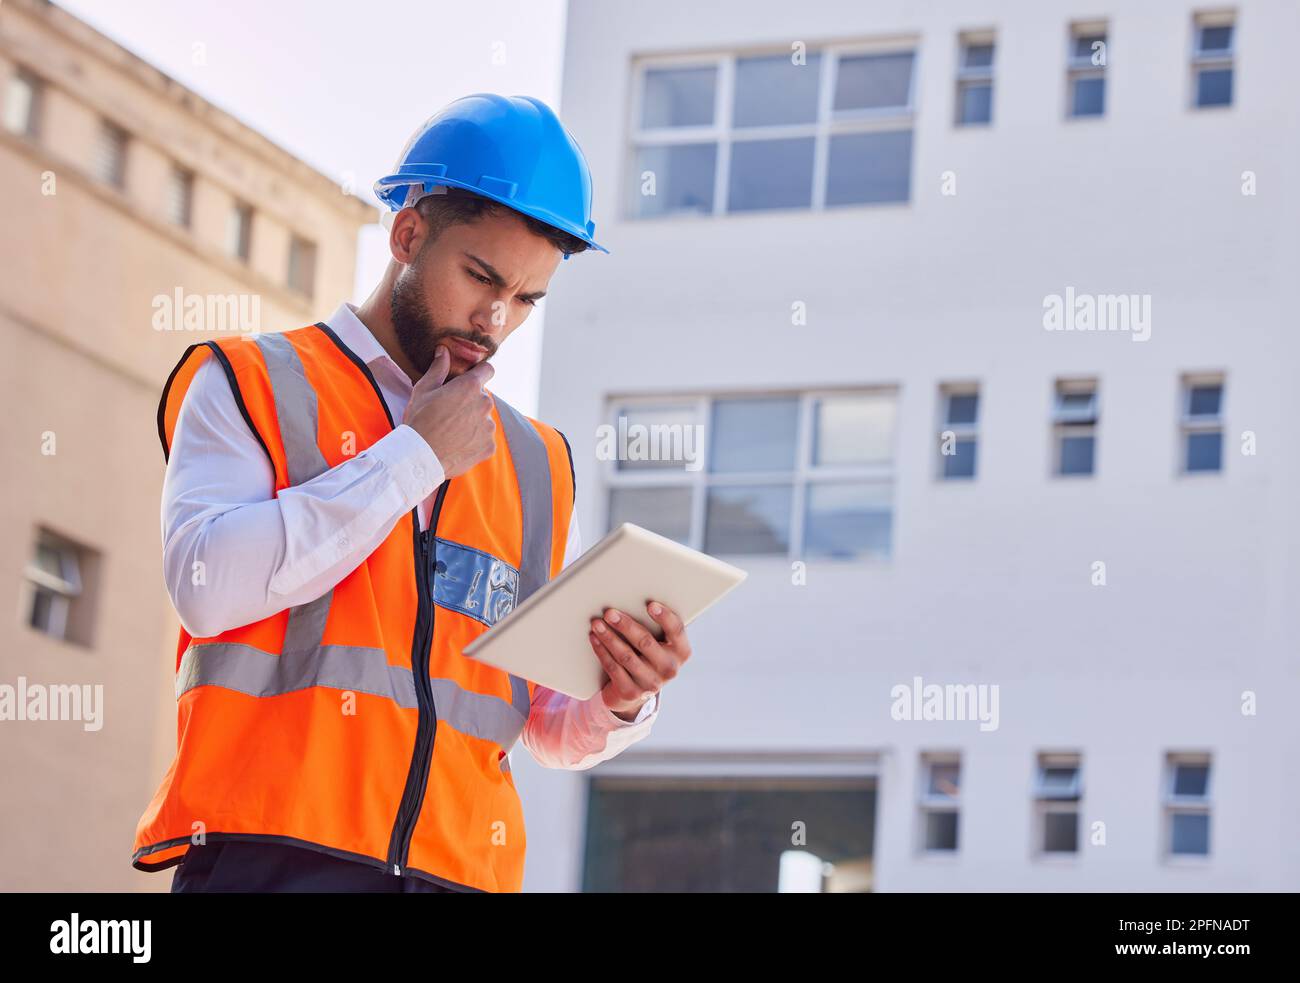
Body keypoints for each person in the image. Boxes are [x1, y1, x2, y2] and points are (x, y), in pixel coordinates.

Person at [132, 94, 693, 893]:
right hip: (273, 863)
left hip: (458, 876)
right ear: (408, 234)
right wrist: (413, 457)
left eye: (528, 299)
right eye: (481, 276)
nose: (495, 319)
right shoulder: (251, 382)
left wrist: (621, 699)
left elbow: (531, 722)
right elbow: (205, 588)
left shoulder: (536, 462)